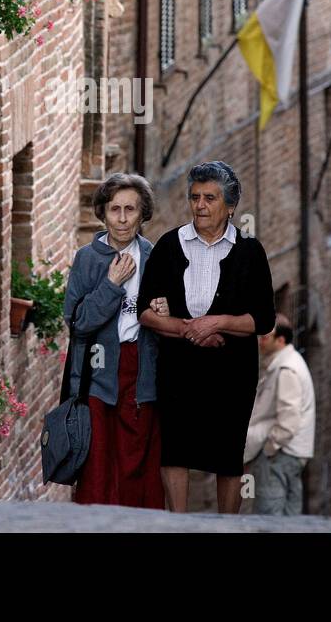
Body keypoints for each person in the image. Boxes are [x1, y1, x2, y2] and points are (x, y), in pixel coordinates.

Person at [137, 160, 275, 513]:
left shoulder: (250, 252)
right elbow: (145, 312)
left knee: (228, 451)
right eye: (195, 197)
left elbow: (262, 319)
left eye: (210, 198)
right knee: (175, 445)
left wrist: (216, 323)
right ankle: (179, 523)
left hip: (232, 372)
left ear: (230, 206)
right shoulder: (169, 246)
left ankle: (226, 525)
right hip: (177, 367)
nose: (200, 206)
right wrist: (188, 329)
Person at [61, 172, 164, 508]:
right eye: (115, 209)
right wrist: (111, 284)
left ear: (142, 213)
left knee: (136, 462)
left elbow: (167, 321)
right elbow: (78, 324)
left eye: (130, 209)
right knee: (97, 465)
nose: (122, 218)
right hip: (96, 372)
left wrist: (166, 308)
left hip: (141, 371)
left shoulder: (155, 258)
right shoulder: (87, 260)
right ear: (103, 214)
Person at [244, 314, 315, 515]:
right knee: (288, 518)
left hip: (281, 453)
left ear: (280, 340)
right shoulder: (291, 362)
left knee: (270, 517)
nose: (260, 341)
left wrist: (269, 448)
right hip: (290, 452)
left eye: (266, 336)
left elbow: (289, 419)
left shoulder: (286, 369)